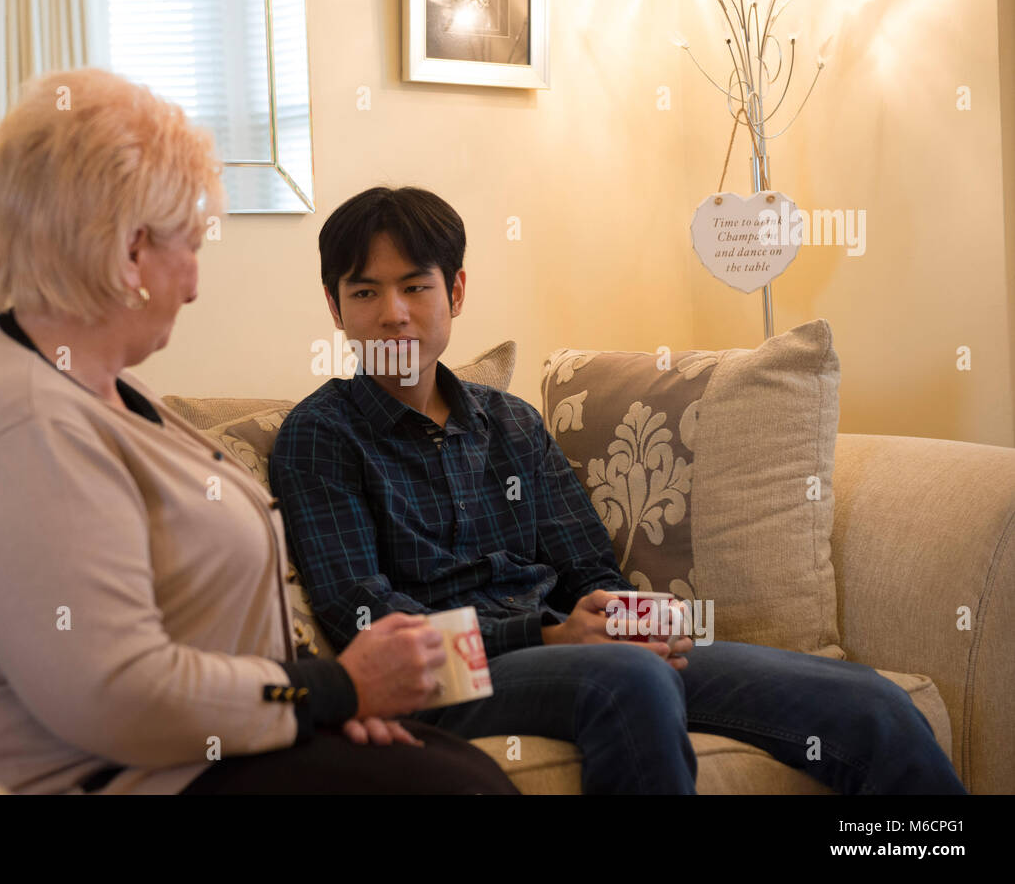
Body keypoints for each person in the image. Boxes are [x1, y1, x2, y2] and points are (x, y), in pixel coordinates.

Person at [0, 73, 517, 796]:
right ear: (130, 252)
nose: (194, 284)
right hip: (74, 775)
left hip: (175, 754)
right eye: (188, 246)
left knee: (460, 771)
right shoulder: (26, 423)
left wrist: (314, 709)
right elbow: (119, 693)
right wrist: (329, 692)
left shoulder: (99, 385)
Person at [267, 185, 968, 795]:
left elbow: (590, 568)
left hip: (578, 646)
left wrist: (626, 618)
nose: (393, 313)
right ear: (335, 306)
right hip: (450, 681)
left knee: (868, 704)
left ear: (454, 291)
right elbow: (364, 615)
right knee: (627, 680)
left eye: (414, 285)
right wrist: (549, 634)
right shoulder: (321, 437)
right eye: (365, 291)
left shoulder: (509, 423)